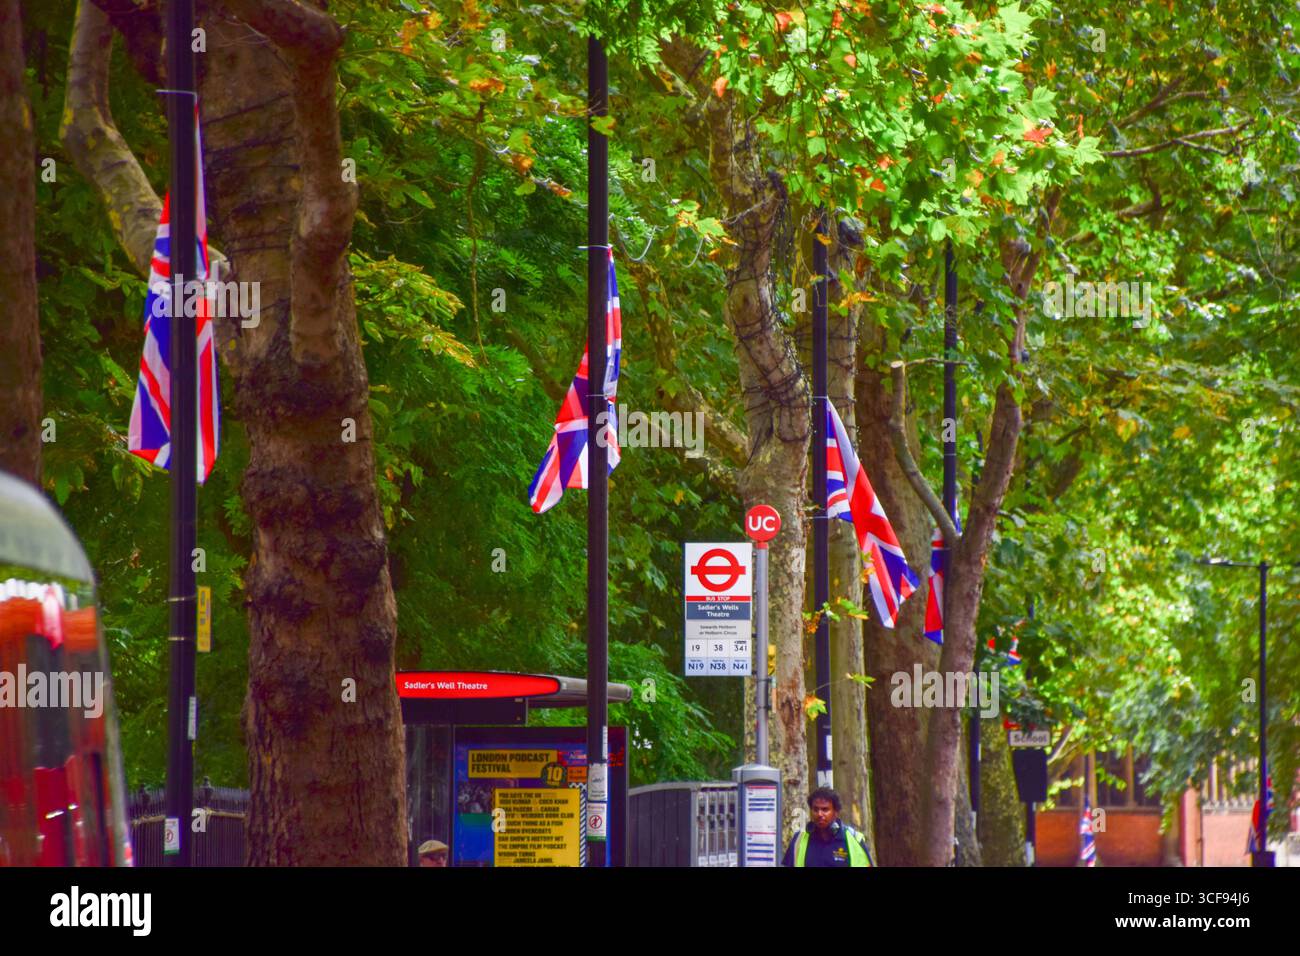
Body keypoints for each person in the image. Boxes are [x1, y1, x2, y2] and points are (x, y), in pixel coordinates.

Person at [781, 787, 873, 867]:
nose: (820, 814)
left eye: (825, 809)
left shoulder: (854, 839)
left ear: (836, 812)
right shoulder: (799, 840)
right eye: (815, 809)